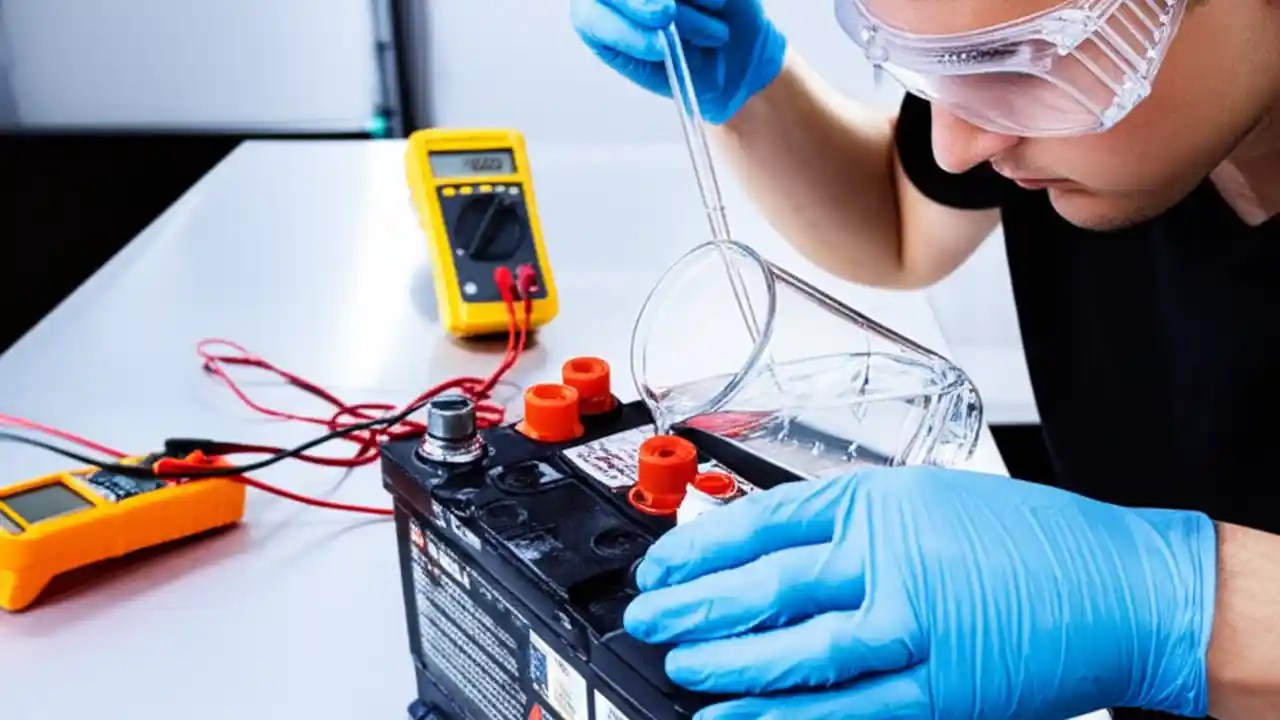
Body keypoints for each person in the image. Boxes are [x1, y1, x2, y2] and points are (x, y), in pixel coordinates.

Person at [571, 0, 1280, 718]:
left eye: (1012, 59)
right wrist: (752, 84)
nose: (956, 148)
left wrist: (1177, 606)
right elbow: (903, 217)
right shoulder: (1055, 123)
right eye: (929, 69)